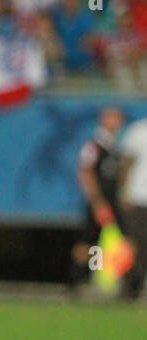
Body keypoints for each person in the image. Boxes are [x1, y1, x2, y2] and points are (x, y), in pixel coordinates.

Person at [70, 106, 126, 293]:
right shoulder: (94, 145)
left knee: (116, 241)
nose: (115, 122)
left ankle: (114, 281)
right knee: (88, 241)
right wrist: (96, 200)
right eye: (111, 118)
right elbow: (85, 171)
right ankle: (75, 281)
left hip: (113, 200)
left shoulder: (115, 146)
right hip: (99, 202)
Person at [117, 114, 147, 300]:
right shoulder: (138, 130)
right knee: (134, 243)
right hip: (138, 196)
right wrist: (123, 191)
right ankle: (129, 287)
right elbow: (126, 163)